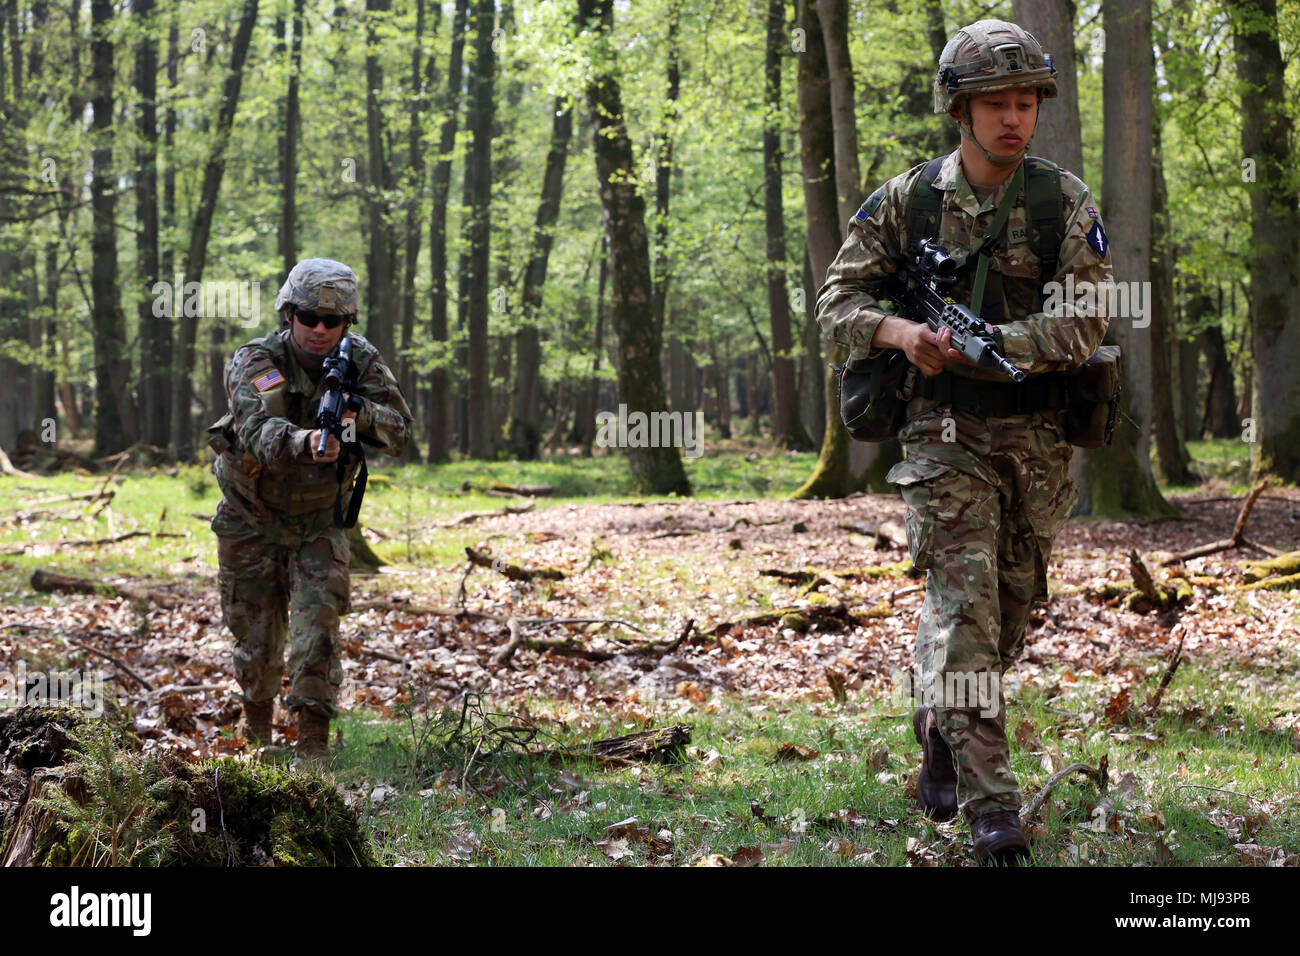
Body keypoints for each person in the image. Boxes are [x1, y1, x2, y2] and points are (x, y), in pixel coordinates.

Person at [816, 20, 1112, 863]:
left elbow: (1087, 316)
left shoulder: (1064, 201)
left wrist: (1000, 345)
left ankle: (940, 722)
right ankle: (994, 813)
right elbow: (835, 306)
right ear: (960, 109)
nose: (1014, 118)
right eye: (995, 104)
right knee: (963, 609)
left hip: (1039, 441)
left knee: (1007, 616)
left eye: (1025, 102)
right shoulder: (907, 202)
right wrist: (904, 334)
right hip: (941, 433)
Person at [207, 258, 413, 766]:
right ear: (288, 313)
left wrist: (357, 413)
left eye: (332, 320)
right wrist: (307, 442)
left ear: (348, 323)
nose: (319, 329)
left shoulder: (360, 361)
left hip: (320, 519)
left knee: (318, 627)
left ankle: (313, 747)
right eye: (308, 316)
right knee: (255, 635)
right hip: (250, 516)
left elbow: (401, 432)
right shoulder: (257, 360)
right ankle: (257, 737)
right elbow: (257, 430)